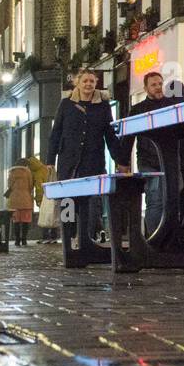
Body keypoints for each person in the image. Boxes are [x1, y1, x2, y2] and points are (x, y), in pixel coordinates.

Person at [44, 69, 130, 246]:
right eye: (85, 81)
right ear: (78, 83)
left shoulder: (103, 105)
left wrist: (120, 160)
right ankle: (69, 239)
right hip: (69, 163)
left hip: (93, 162)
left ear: (96, 83)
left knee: (92, 203)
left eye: (92, 81)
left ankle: (87, 241)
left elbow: (110, 135)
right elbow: (56, 133)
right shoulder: (66, 104)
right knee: (68, 201)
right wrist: (50, 160)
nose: (88, 84)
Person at [126, 71, 184, 235]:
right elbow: (128, 137)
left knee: (173, 200)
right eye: (153, 85)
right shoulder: (138, 110)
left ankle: (171, 237)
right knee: (155, 201)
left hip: (172, 161)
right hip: (149, 162)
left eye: (160, 84)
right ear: (145, 88)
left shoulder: (171, 106)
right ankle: (154, 239)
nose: (158, 87)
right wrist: (123, 161)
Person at [5, 158, 36, 246]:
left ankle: (17, 240)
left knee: (16, 221)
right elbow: (31, 185)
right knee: (25, 221)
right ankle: (24, 240)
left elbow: (9, 185)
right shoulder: (27, 172)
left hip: (14, 200)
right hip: (26, 199)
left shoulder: (11, 172)